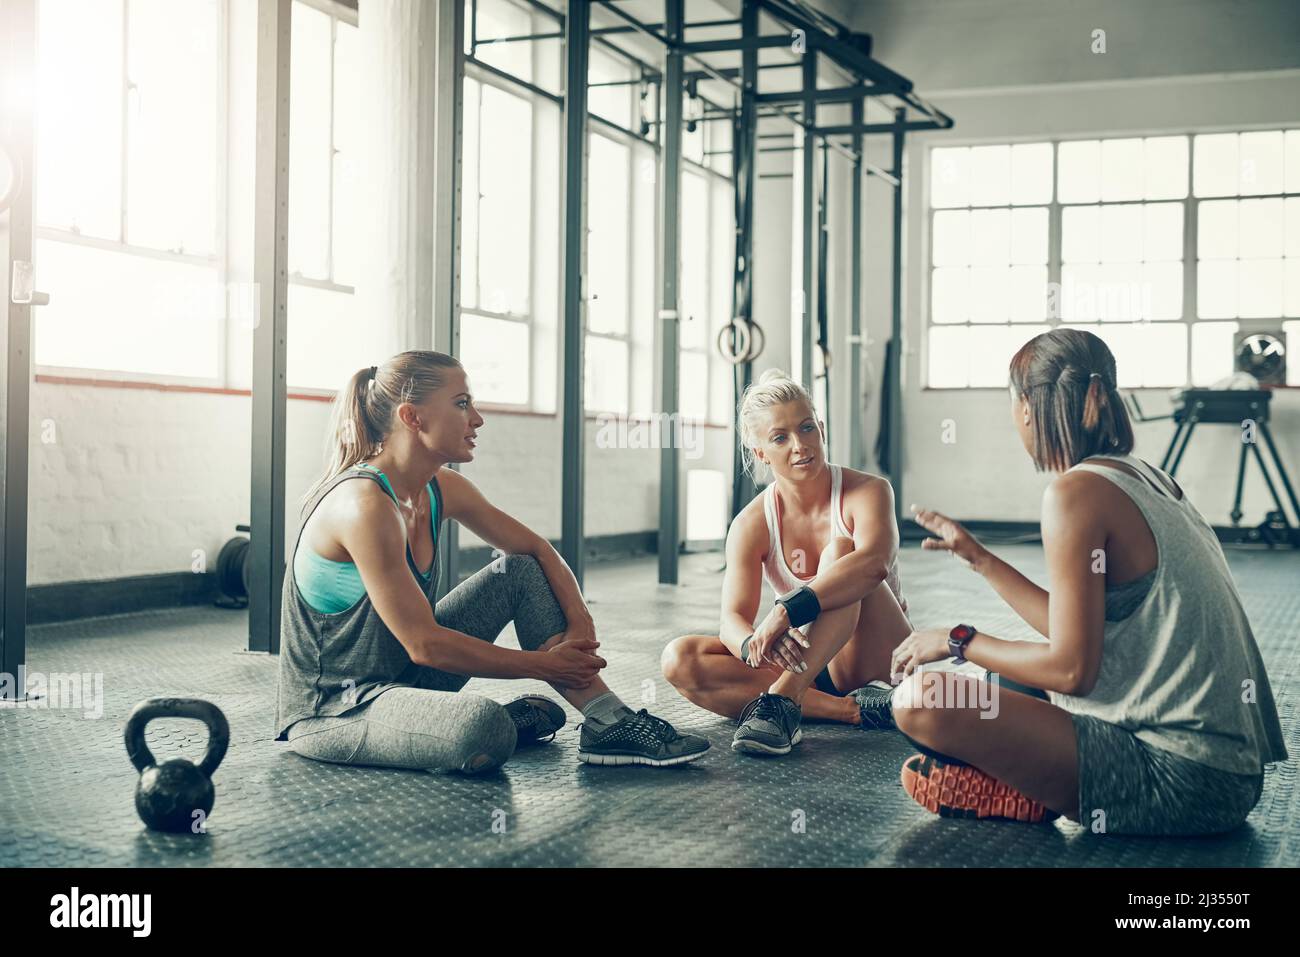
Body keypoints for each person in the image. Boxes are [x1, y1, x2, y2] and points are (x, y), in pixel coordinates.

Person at [888, 328, 1288, 834]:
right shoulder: (1141, 475)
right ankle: (1027, 785)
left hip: (1180, 780)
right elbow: (1070, 630)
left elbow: (1072, 670)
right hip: (1231, 776)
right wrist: (981, 560)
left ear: (1028, 408)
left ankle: (1026, 784)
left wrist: (956, 640)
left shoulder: (1074, 494)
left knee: (923, 699)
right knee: (1010, 678)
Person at [275, 351, 710, 772]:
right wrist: (543, 666)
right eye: (462, 404)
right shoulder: (364, 505)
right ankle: (471, 724)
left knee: (518, 570)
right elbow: (424, 644)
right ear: (412, 417)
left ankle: (608, 720)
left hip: (406, 679)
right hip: (336, 712)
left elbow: (537, 550)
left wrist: (580, 623)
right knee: (484, 728)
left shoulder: (439, 487)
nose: (477, 419)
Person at [661, 370, 912, 756]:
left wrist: (784, 612)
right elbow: (732, 619)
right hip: (805, 662)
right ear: (761, 452)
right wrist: (753, 645)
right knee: (681, 658)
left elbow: (874, 564)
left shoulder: (869, 491)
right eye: (781, 437)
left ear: (821, 429)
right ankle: (848, 712)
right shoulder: (751, 522)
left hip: (874, 662)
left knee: (840, 553)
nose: (800, 445)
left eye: (807, 428)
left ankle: (784, 699)